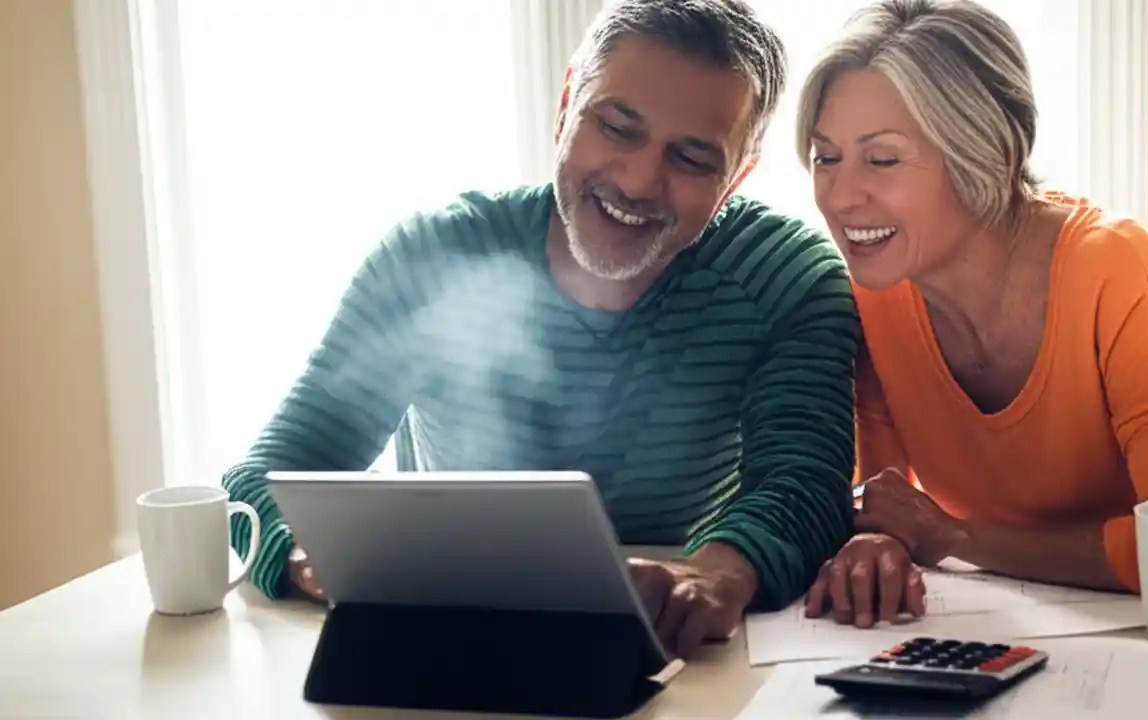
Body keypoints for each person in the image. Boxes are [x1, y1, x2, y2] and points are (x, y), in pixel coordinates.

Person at [222, 0, 861, 659]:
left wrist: (717, 573)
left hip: (678, 658)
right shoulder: (432, 257)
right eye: (616, 126)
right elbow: (262, 478)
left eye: (693, 159)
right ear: (566, 107)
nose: (640, 179)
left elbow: (805, 485)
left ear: (738, 176)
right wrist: (308, 557)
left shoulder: (787, 280)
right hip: (444, 649)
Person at [797, 0, 1148, 628]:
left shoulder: (1114, 268)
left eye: (882, 159)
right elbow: (887, 500)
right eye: (826, 157)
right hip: (992, 631)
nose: (841, 197)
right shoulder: (874, 289)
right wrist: (879, 543)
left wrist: (953, 536)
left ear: (989, 152)